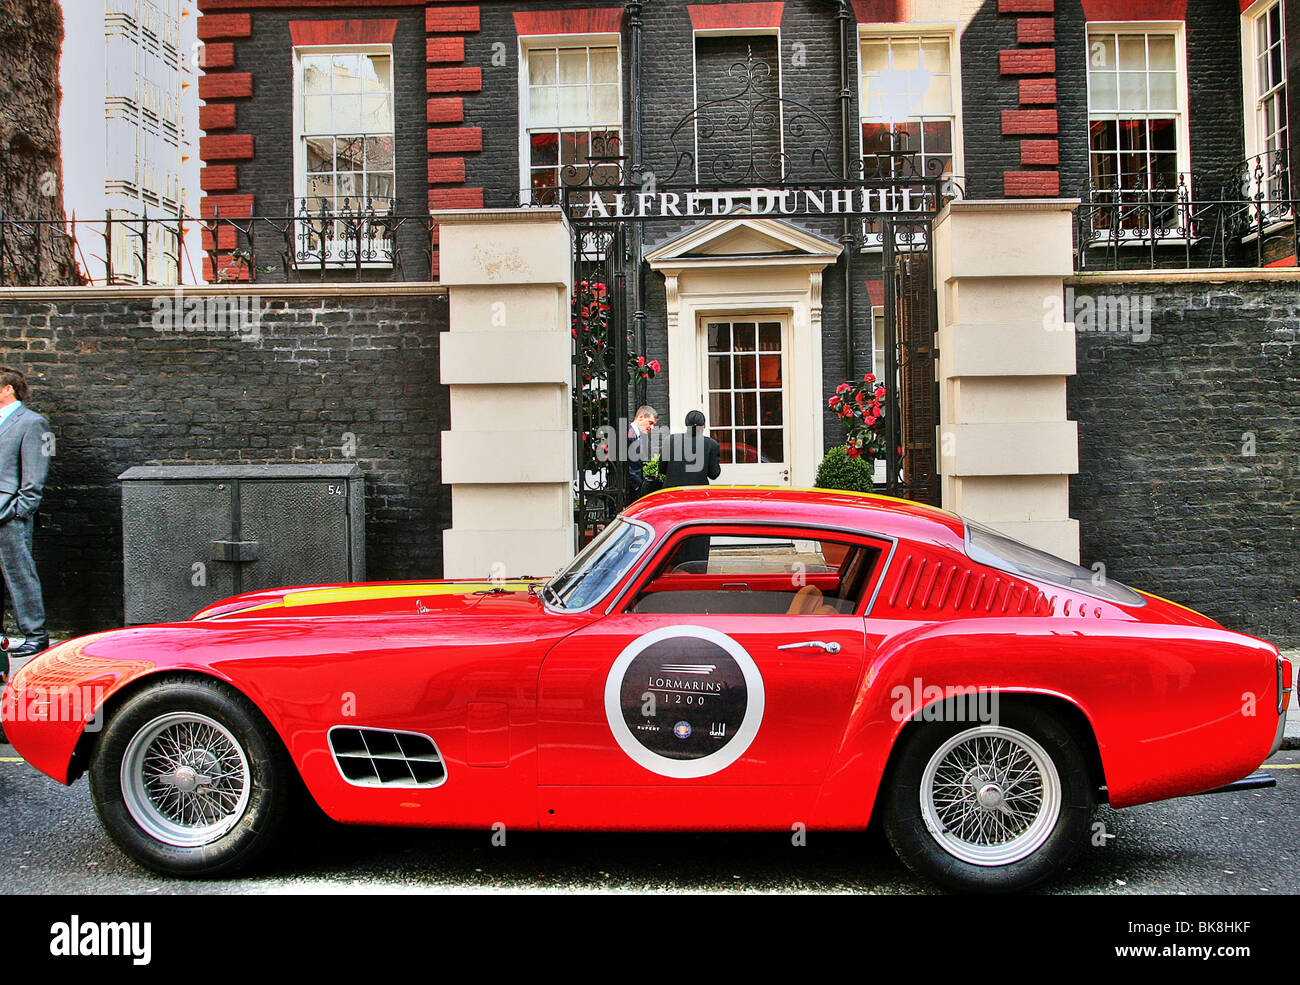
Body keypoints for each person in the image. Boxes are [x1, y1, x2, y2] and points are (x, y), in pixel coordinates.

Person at [0, 366, 51, 686]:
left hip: (9, 515)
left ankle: (36, 634)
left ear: (7, 389)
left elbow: (34, 475)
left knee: (20, 575)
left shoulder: (32, 423)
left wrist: (20, 511)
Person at [661, 410, 722, 488]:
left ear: (686, 424)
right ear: (704, 425)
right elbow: (714, 474)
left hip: (672, 492)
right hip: (698, 492)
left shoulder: (670, 440)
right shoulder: (712, 444)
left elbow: (662, 469)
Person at [626, 404, 657, 498]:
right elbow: (628, 464)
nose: (652, 428)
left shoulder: (638, 436)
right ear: (640, 417)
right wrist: (638, 487)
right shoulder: (628, 433)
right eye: (650, 423)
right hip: (630, 489)